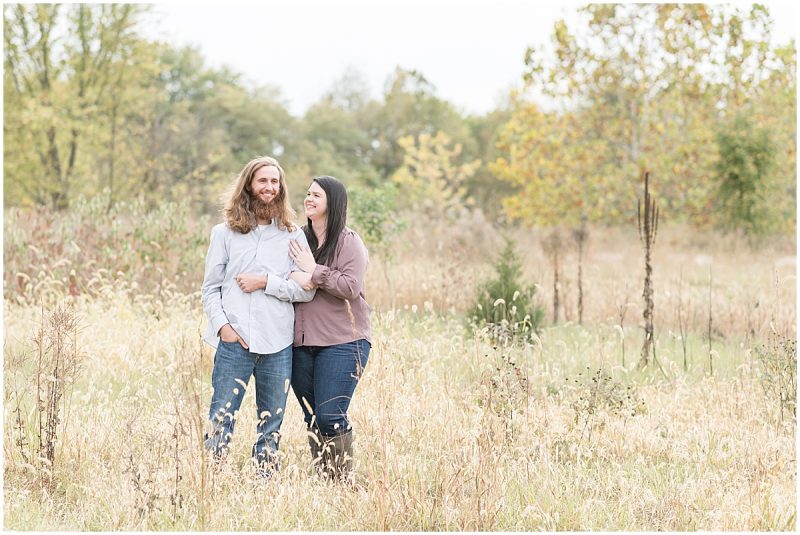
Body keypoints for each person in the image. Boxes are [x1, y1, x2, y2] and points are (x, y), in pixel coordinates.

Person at [201, 156, 315, 477]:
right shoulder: (224, 234)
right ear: (249, 185)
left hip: (277, 343)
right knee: (221, 416)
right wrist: (223, 327)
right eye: (263, 181)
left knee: (272, 422)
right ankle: (212, 480)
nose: (269, 188)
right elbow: (210, 289)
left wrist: (266, 283)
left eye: (275, 182)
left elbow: (306, 290)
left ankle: (264, 484)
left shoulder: (293, 235)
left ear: (281, 189)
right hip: (235, 341)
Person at [288, 176, 371, 483]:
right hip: (301, 342)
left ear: (332, 203)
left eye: (316, 195)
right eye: (308, 194)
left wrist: (314, 272)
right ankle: (326, 484)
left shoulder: (348, 241)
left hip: (344, 341)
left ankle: (340, 482)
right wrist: (301, 276)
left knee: (329, 415)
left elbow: (350, 287)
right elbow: (287, 275)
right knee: (312, 415)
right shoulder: (297, 239)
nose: (308, 199)